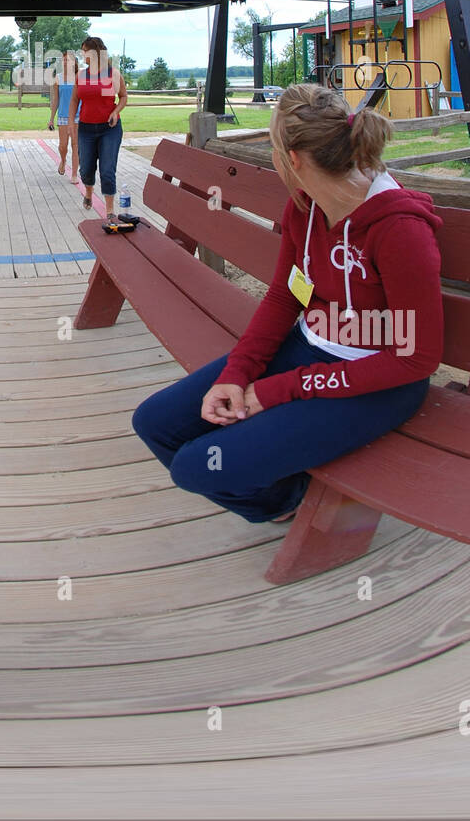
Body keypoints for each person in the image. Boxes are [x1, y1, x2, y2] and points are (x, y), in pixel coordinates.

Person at [129, 83, 441, 522]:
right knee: (155, 424)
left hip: (380, 381)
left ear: (290, 159)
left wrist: (278, 390)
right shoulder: (305, 208)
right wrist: (237, 375)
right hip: (307, 350)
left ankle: (293, 497)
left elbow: (415, 360)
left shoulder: (399, 230)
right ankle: (280, 489)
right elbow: (283, 297)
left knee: (195, 466)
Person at [70, 36, 126, 216]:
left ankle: (110, 210)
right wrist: (72, 123)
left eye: (85, 51)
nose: (82, 54)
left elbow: (123, 97)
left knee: (107, 169)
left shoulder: (113, 73)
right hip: (86, 129)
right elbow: (74, 100)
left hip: (109, 129)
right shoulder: (80, 75)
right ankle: (88, 192)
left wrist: (115, 111)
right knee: (86, 168)